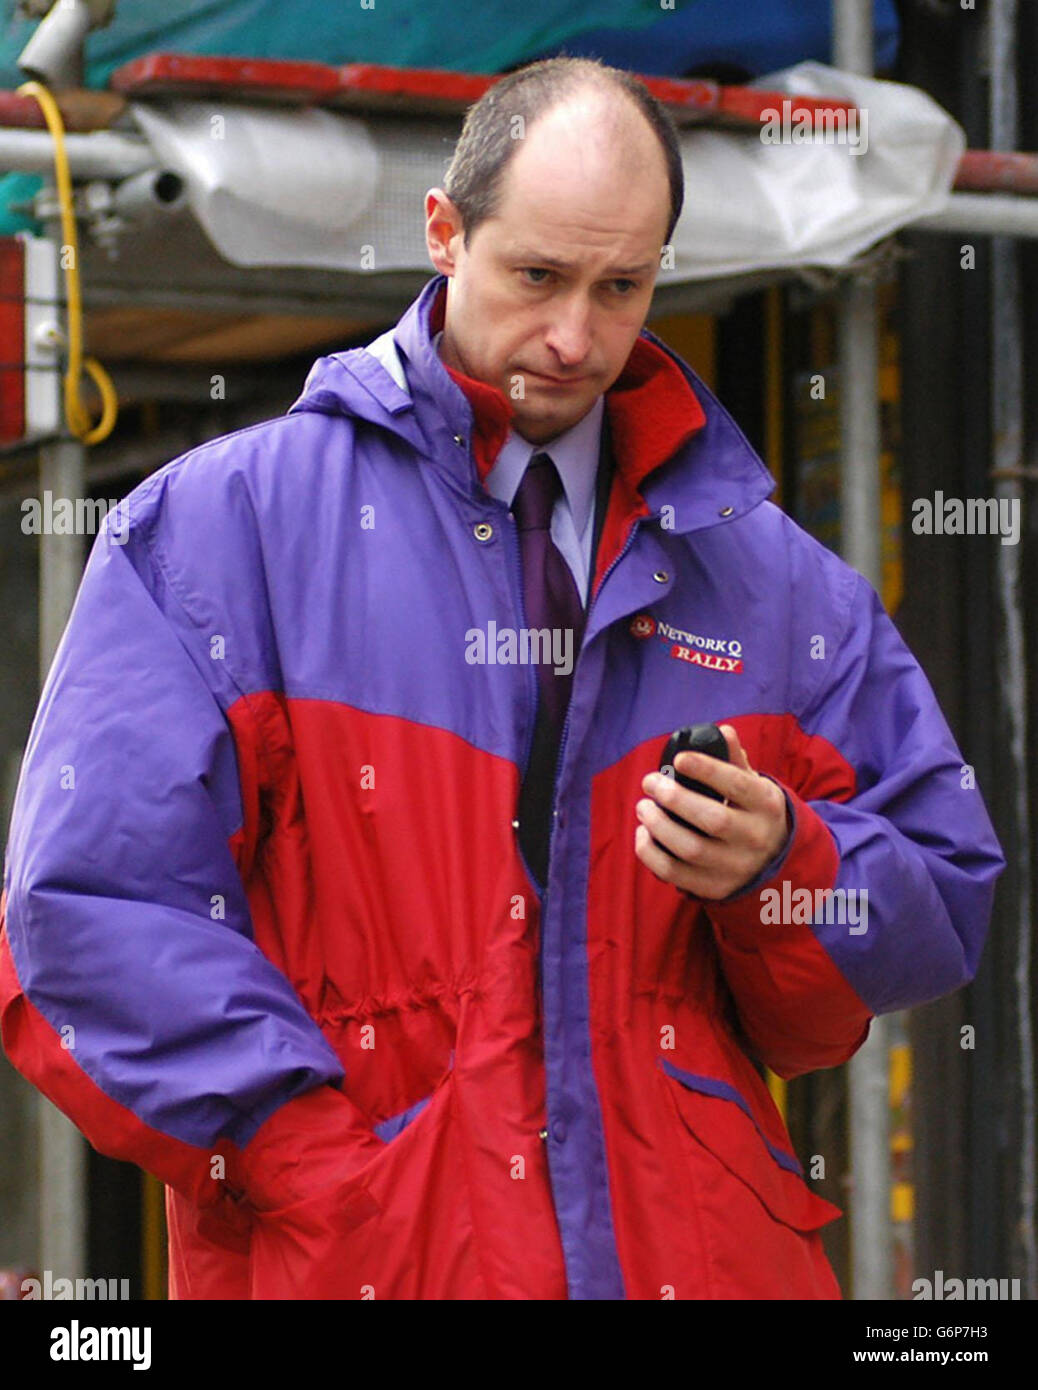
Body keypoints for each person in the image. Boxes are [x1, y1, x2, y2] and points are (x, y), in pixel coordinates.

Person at [0, 55, 1004, 1301]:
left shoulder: (778, 587)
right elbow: (86, 910)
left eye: (622, 286)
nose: (575, 337)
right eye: (538, 276)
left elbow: (943, 893)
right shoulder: (215, 535)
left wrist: (785, 870)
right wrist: (316, 1169)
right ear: (443, 231)